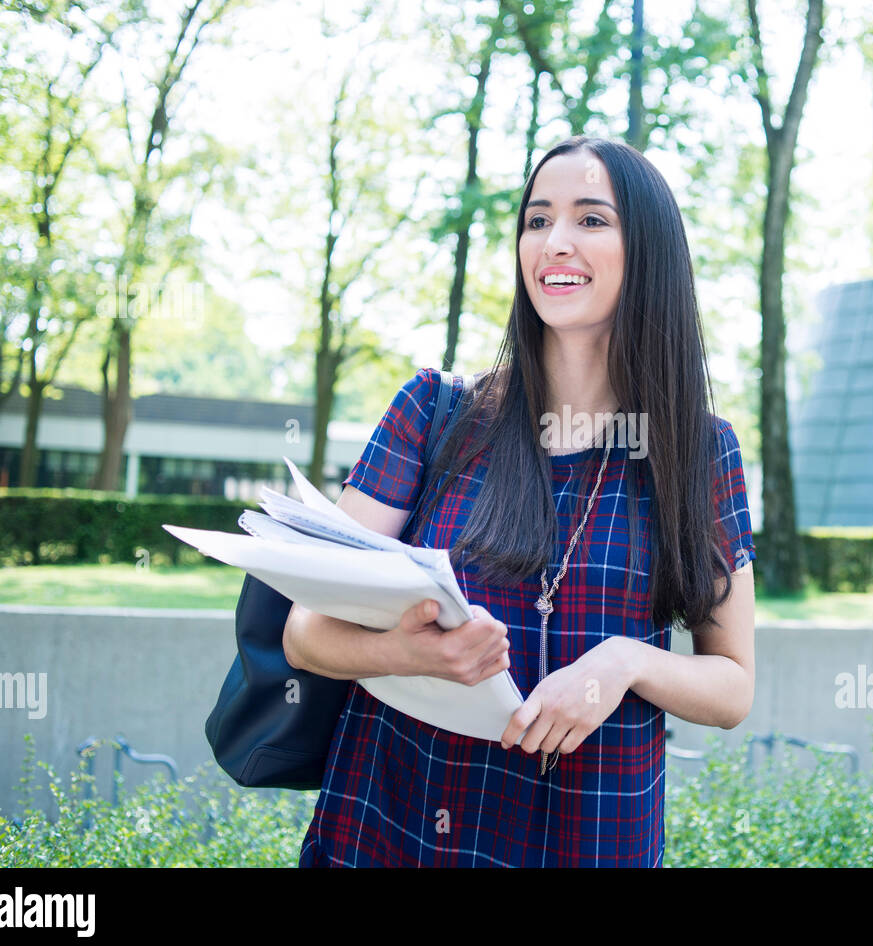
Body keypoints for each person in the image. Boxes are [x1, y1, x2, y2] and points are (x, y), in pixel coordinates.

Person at [284, 135, 757, 867]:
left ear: (650, 252)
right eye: (537, 220)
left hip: (589, 836)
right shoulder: (433, 413)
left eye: (590, 220)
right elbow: (305, 631)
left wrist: (624, 662)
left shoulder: (700, 452)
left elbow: (731, 687)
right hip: (395, 826)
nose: (554, 243)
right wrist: (403, 653)